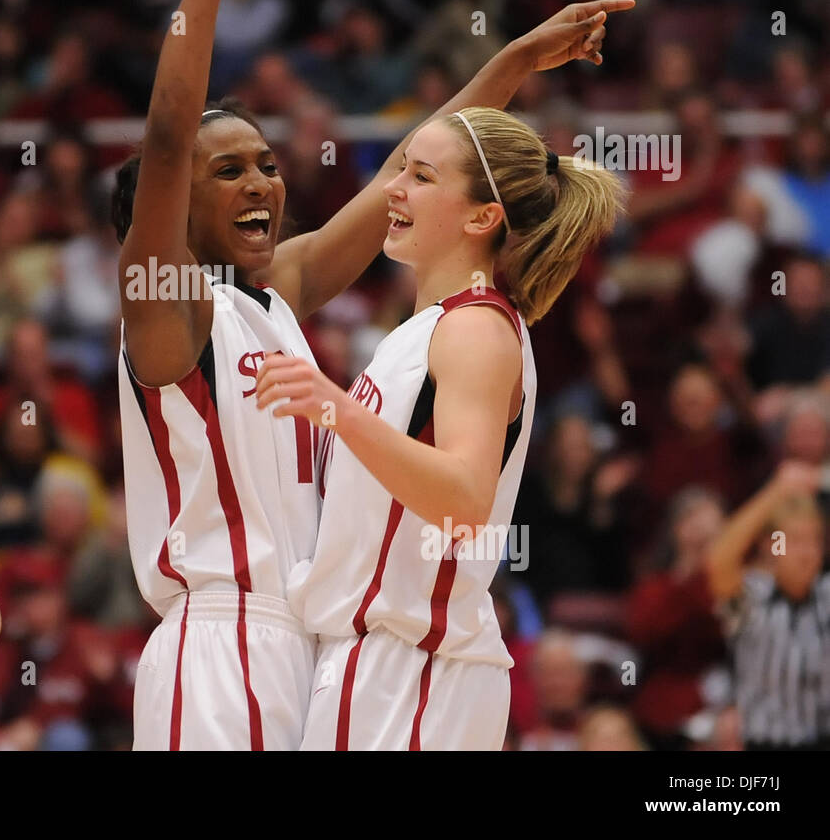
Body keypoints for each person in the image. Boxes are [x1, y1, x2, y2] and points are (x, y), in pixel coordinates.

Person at [115, 0, 632, 750]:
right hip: (219, 637)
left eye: (270, 167)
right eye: (227, 170)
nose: (262, 185)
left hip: (316, 646)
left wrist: (509, 67)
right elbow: (165, 137)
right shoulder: (168, 303)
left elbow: (415, 177)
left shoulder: (277, 295)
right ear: (169, 207)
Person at [256, 99, 626, 749]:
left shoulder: (475, 330)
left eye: (421, 177)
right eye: (402, 169)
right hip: (390, 666)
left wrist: (336, 409)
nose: (393, 188)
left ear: (484, 216)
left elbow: (464, 499)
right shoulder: (432, 328)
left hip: (409, 670)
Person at [705, 461, 829, 750]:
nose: (807, 552)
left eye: (814, 540)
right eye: (795, 541)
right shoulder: (753, 597)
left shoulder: (826, 595)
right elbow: (718, 559)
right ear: (773, 546)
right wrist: (776, 491)